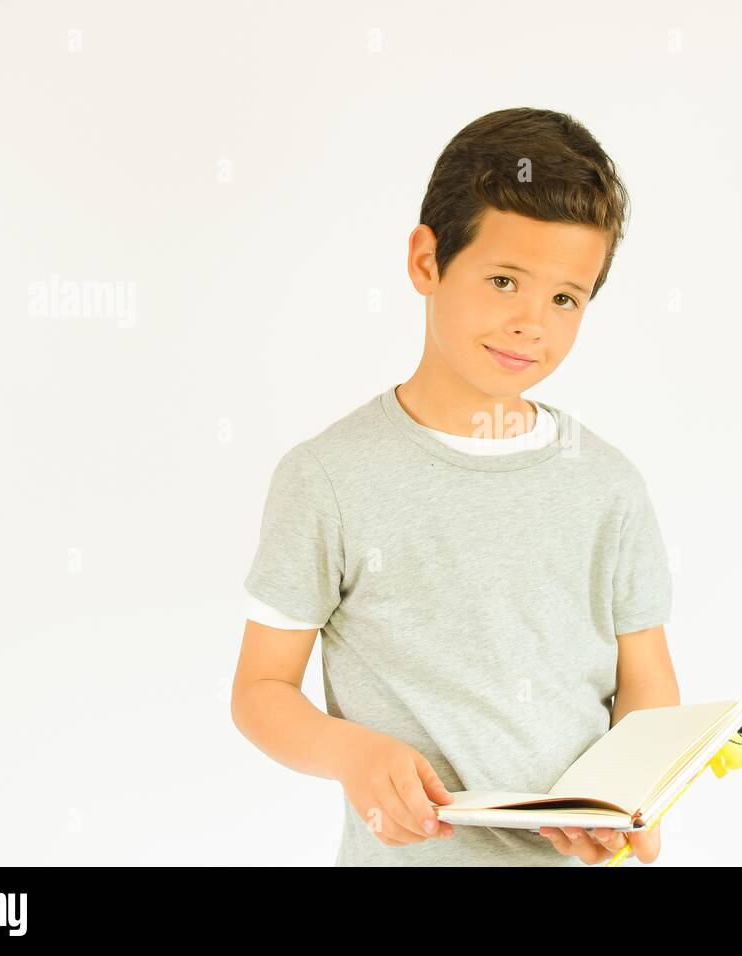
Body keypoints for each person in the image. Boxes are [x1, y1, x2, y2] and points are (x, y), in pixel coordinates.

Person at [230, 107, 679, 866]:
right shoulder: (329, 478)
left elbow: (646, 688)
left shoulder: (609, 487)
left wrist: (639, 799)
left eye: (565, 298)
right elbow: (260, 689)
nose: (532, 323)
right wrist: (352, 754)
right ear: (426, 261)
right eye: (504, 281)